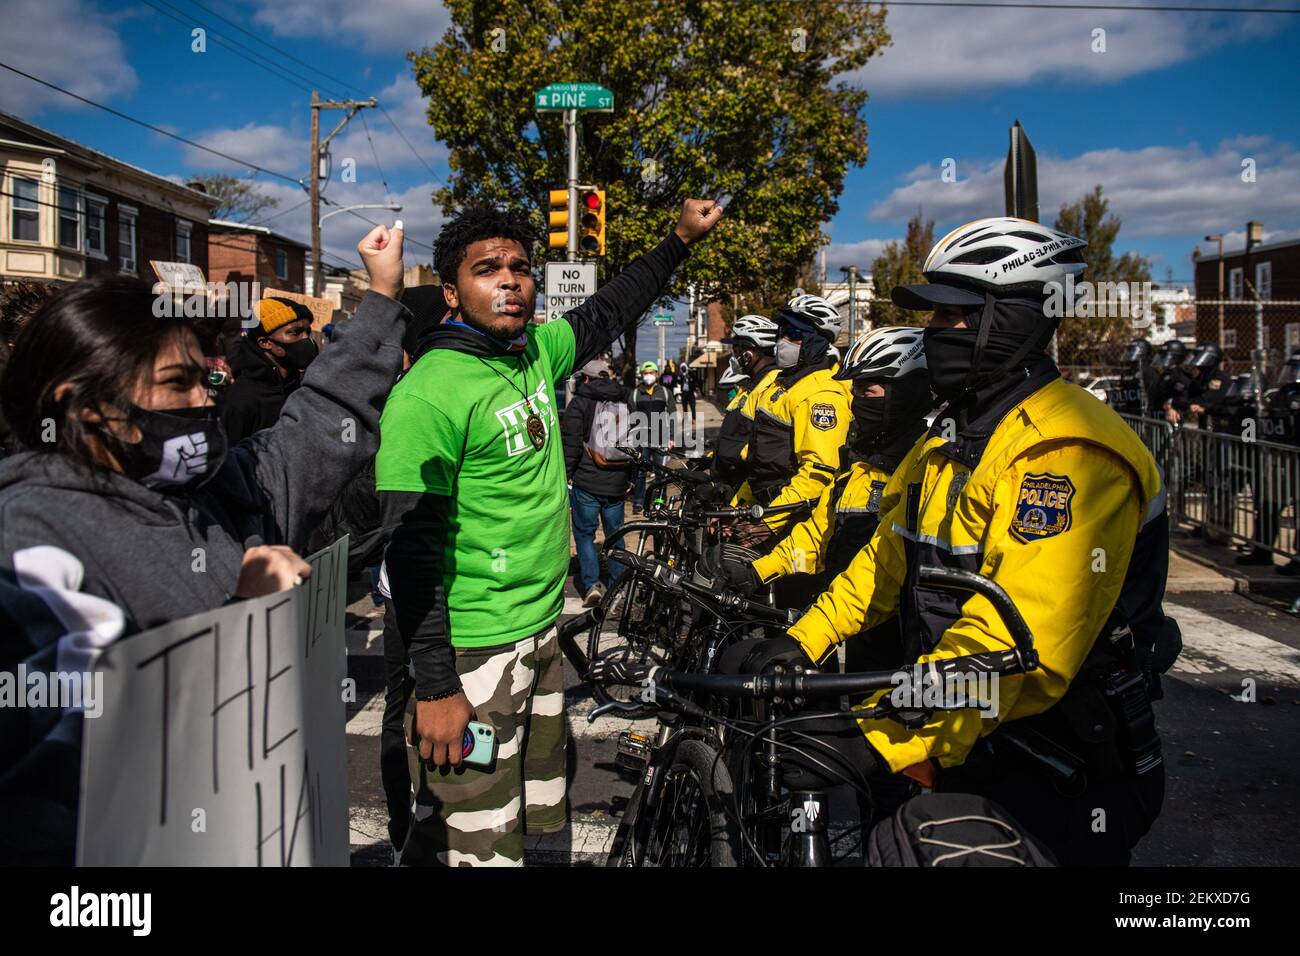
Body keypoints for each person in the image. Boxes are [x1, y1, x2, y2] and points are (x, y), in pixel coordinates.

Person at [744, 217, 1182, 866]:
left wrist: (874, 733)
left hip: (1056, 759)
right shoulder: (947, 439)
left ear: (1017, 318)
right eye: (933, 316)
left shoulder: (1072, 448)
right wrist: (797, 642)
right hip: (954, 736)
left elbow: (1016, 644)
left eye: (955, 315)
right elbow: (882, 566)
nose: (935, 332)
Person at [0, 224, 411, 864]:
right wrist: (237, 625)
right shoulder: (28, 541)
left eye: (204, 381)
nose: (203, 402)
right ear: (82, 406)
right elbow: (67, 776)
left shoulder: (219, 492)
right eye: (176, 384)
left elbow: (317, 427)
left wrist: (382, 298)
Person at [375, 199, 721, 867]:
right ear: (451, 291)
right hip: (473, 656)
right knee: (470, 841)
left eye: (519, 267)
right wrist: (440, 689)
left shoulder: (534, 350)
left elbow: (611, 308)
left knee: (516, 824)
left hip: (537, 636)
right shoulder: (427, 395)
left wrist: (679, 238)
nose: (508, 280)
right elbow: (411, 555)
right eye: (486, 269)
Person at [721, 326, 932, 629]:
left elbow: (881, 566)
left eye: (867, 391)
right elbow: (820, 531)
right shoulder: (857, 461)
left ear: (906, 394)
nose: (855, 400)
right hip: (843, 617)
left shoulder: (922, 466)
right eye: (854, 390)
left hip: (896, 634)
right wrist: (758, 571)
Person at [729, 293, 850, 549]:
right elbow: (760, 463)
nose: (784, 340)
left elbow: (819, 473)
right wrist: (735, 508)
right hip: (764, 511)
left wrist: (769, 522)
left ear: (814, 342)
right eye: (782, 331)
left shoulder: (821, 395)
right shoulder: (782, 385)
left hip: (795, 525)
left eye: (794, 333)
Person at [562, 358, 632, 606]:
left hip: (587, 482)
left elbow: (570, 445)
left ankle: (592, 584)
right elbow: (636, 443)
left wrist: (567, 476)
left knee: (584, 534)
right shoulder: (624, 401)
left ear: (587, 379)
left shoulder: (580, 404)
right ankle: (618, 586)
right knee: (616, 535)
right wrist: (632, 479)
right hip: (617, 480)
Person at [217, 296, 320, 442]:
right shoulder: (240, 400)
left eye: (307, 332)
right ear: (265, 343)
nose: (306, 339)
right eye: (295, 332)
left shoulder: (303, 387)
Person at [711, 314, 780, 488]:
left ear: (749, 354)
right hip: (726, 483)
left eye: (736, 349)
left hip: (744, 489)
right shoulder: (750, 385)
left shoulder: (771, 386)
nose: (733, 356)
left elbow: (762, 448)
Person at [629, 359, 677, 511]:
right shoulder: (635, 394)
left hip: (661, 439)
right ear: (641, 375)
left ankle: (660, 500)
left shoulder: (665, 393)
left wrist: (671, 438)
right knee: (640, 472)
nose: (648, 375)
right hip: (641, 440)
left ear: (657, 374)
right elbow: (631, 418)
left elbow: (672, 415)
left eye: (651, 373)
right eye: (645, 373)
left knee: (661, 473)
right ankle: (639, 502)